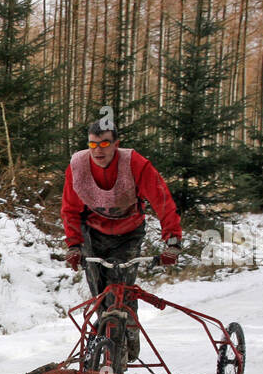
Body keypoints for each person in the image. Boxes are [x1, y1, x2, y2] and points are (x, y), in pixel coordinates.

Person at [61, 121, 183, 359]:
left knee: (122, 292)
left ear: (116, 145)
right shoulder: (78, 166)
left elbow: (162, 200)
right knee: (100, 294)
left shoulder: (135, 163)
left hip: (128, 233)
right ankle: (106, 345)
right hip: (92, 232)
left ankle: (128, 340)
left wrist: (172, 242)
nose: (98, 150)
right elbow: (70, 209)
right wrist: (73, 245)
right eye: (93, 144)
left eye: (105, 144)